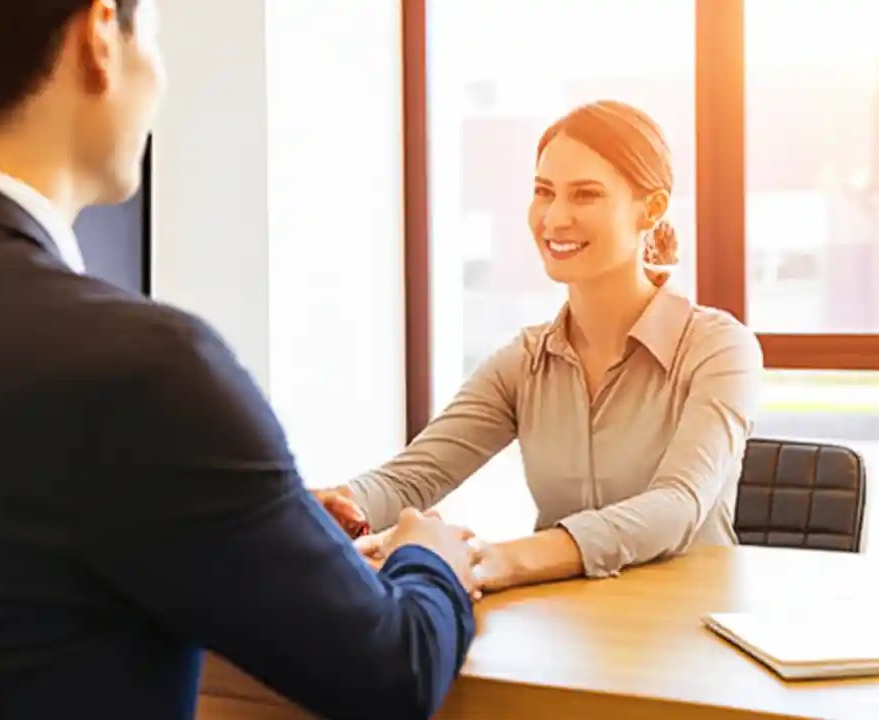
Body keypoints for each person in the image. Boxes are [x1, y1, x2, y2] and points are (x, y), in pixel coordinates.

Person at [0, 2, 475, 719]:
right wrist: (431, 554)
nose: (160, 79)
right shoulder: (145, 371)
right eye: (155, 39)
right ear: (100, 35)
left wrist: (253, 523)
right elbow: (390, 674)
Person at [321, 100, 764, 593]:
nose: (555, 218)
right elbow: (412, 479)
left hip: (690, 628)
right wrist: (338, 504)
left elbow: (676, 506)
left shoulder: (719, 348)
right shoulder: (524, 361)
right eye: (544, 192)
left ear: (652, 209)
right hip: (567, 630)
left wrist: (495, 560)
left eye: (586, 195)